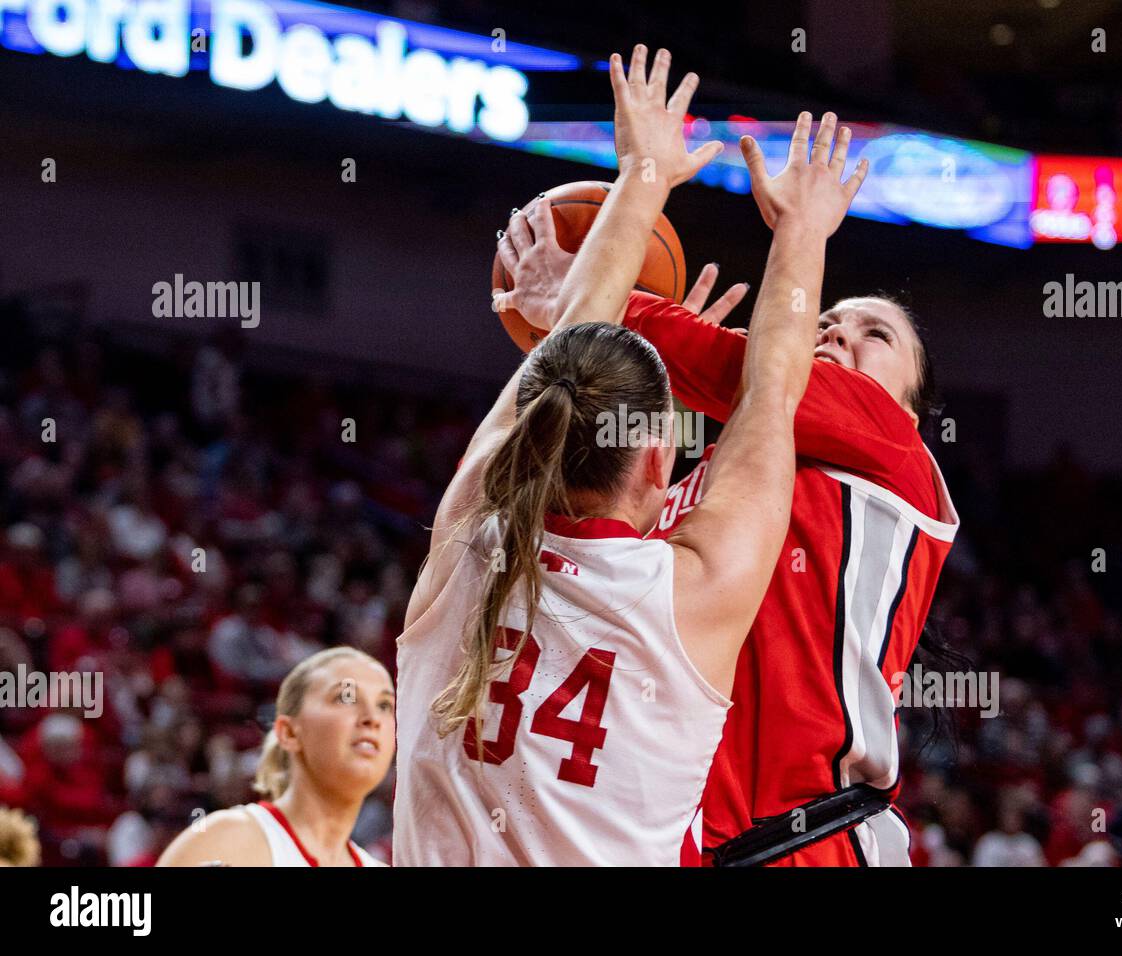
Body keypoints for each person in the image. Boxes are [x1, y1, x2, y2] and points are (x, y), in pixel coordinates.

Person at [394, 45, 867, 866]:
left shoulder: (466, 538)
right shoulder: (697, 591)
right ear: (661, 460)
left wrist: (641, 177)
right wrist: (801, 230)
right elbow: (773, 389)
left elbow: (572, 337)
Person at [498, 130, 957, 867]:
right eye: (826, 323)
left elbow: (749, 372)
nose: (837, 335)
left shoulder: (894, 447)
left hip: (814, 840)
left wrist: (593, 301)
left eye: (875, 335)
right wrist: (629, 393)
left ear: (908, 407)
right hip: (680, 842)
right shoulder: (697, 487)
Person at [156, 647, 393, 866]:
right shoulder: (227, 841)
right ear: (289, 732)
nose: (372, 717)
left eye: (384, 705)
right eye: (346, 697)